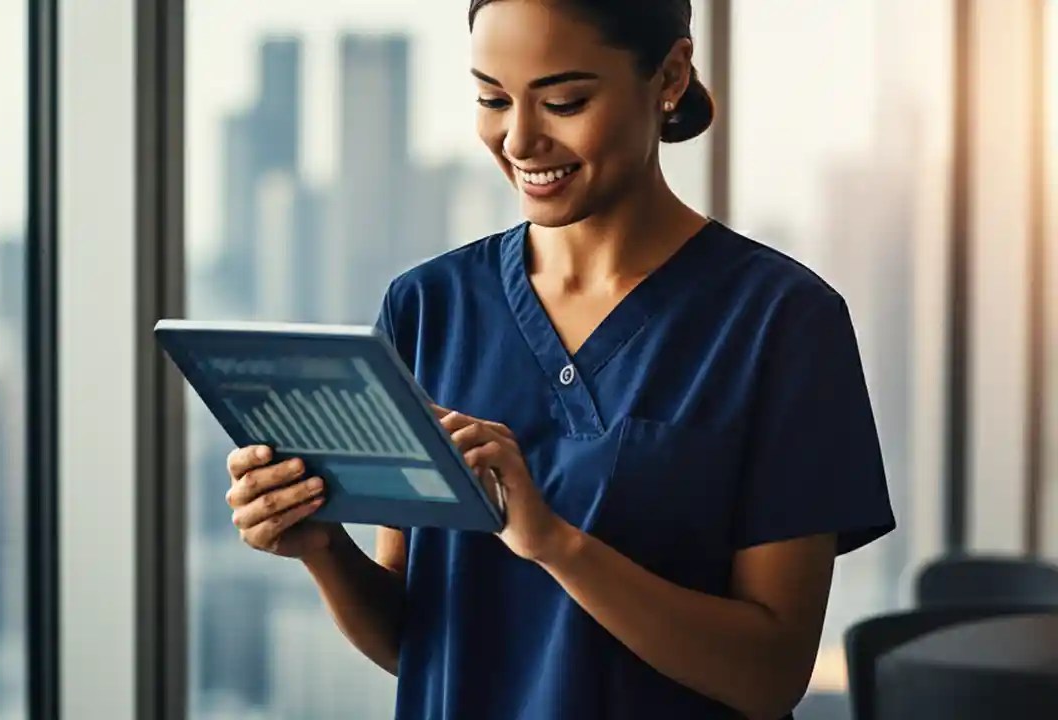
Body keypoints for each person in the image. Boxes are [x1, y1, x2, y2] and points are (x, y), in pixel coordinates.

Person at [223, 0, 896, 717]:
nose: (519, 139)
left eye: (564, 101)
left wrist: (555, 544)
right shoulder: (428, 308)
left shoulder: (782, 323)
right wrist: (322, 546)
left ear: (669, 76)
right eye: (492, 98)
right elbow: (419, 642)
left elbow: (768, 677)